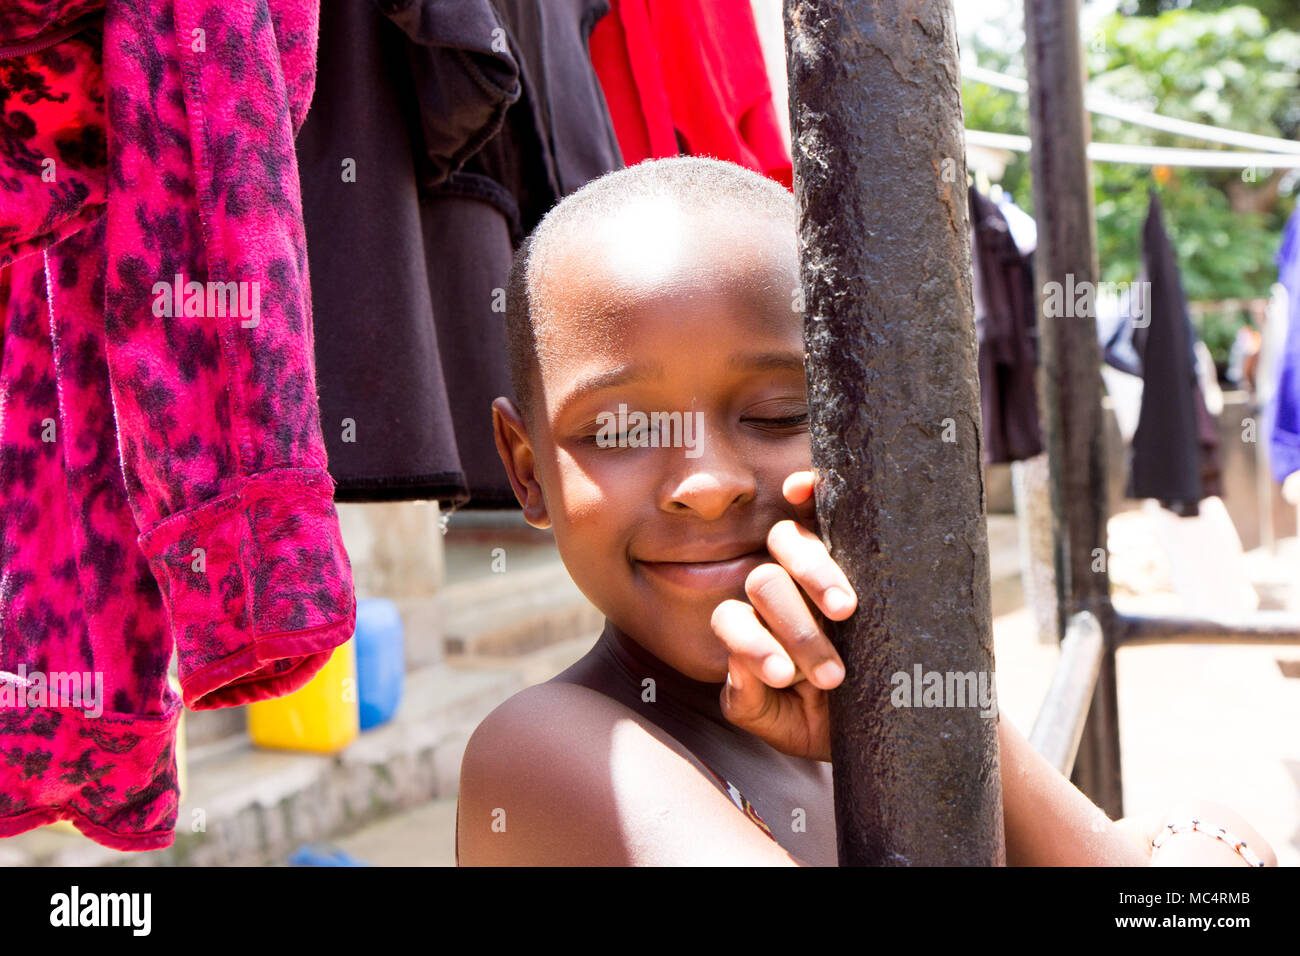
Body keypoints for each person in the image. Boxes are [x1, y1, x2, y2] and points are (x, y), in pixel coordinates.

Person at [455, 156, 1278, 867]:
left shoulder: (857, 703)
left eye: (781, 413)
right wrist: (1213, 840)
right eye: (621, 430)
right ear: (528, 471)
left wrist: (916, 703)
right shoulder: (551, 754)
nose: (705, 482)